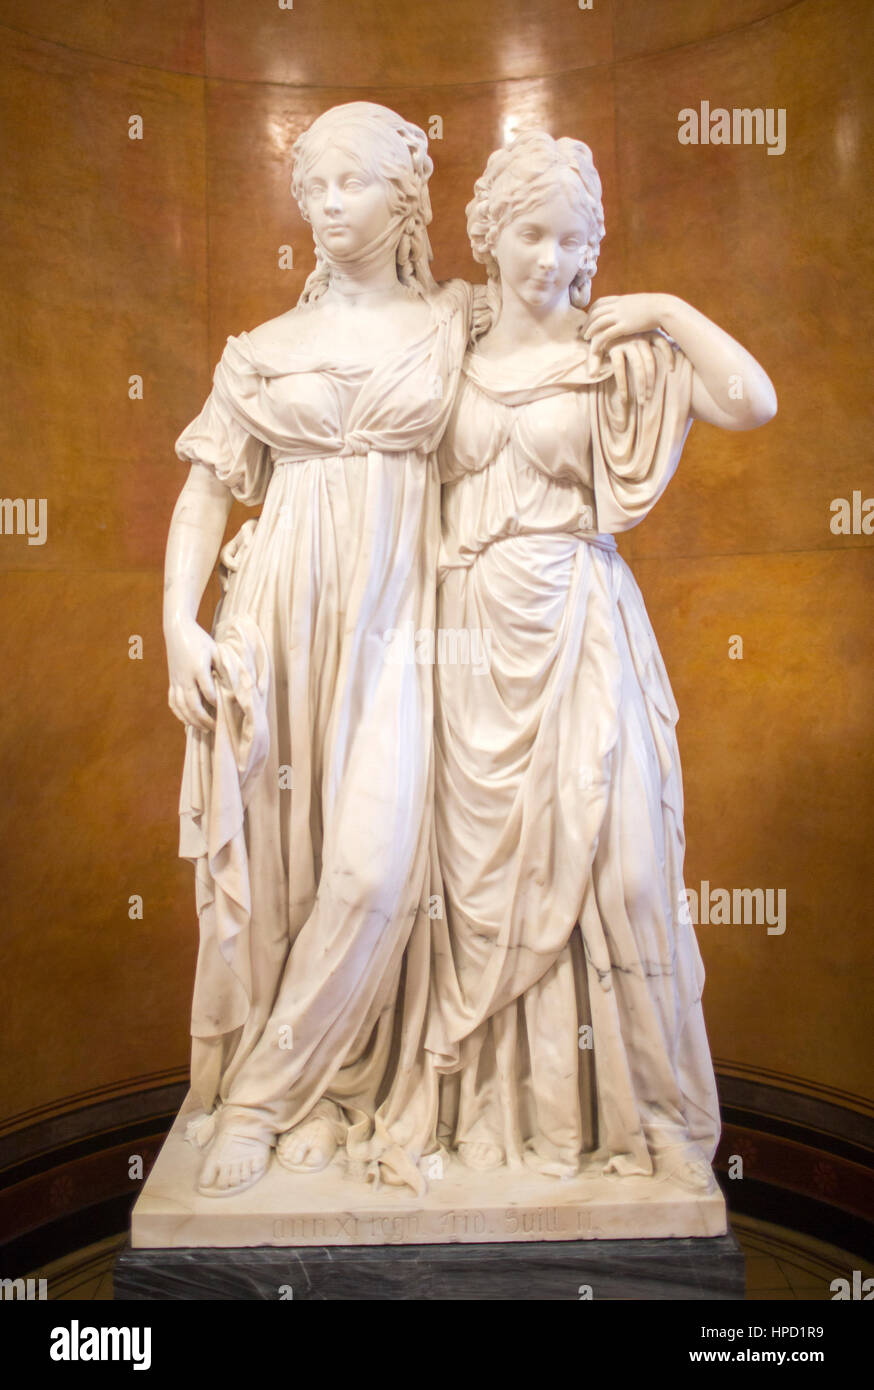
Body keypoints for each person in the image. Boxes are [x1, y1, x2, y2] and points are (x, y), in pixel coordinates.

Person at [428, 131, 777, 1190]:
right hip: (464, 647)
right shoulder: (445, 348)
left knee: (621, 874)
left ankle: (633, 1124)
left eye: (572, 239)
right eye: (530, 233)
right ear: (488, 233)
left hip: (581, 629)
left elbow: (749, 399)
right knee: (473, 892)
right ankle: (503, 1124)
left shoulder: (615, 348)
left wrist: (666, 308)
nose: (549, 259)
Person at [163, 103, 470, 1196]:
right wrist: (177, 624)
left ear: (406, 195)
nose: (327, 205)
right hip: (278, 622)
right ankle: (294, 1093)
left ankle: (274, 1092)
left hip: (406, 624)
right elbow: (206, 490)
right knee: (285, 874)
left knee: (373, 864)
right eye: (312, 189)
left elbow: (555, 343)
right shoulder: (263, 350)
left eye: (351, 183)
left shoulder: (453, 323)